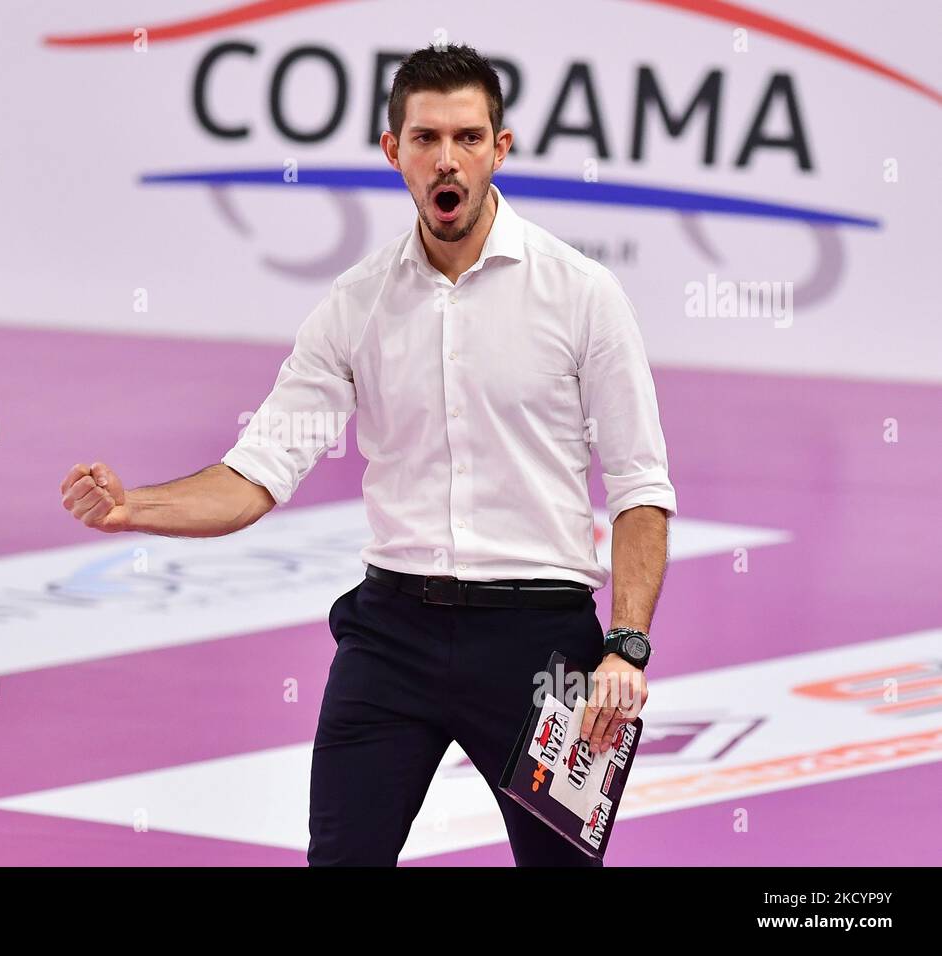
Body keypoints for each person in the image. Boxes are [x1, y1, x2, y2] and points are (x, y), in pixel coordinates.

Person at [59, 43, 675, 867]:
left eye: (466, 136)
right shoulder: (355, 304)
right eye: (425, 138)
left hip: (545, 647)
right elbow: (256, 474)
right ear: (394, 152)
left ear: (502, 147)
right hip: (393, 639)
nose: (446, 158)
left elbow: (639, 486)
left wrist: (625, 645)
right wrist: (134, 506)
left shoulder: (583, 295)